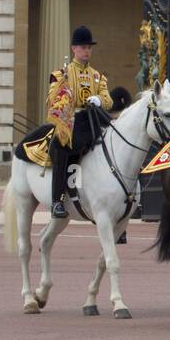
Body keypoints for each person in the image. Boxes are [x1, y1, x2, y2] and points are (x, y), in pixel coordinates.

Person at [46, 25, 111, 219]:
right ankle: (57, 200)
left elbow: (108, 100)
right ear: (73, 48)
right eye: (83, 47)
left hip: (92, 122)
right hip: (71, 123)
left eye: (89, 47)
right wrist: (66, 95)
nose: (86, 51)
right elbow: (52, 99)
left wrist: (99, 100)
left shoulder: (98, 77)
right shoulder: (61, 74)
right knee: (62, 146)